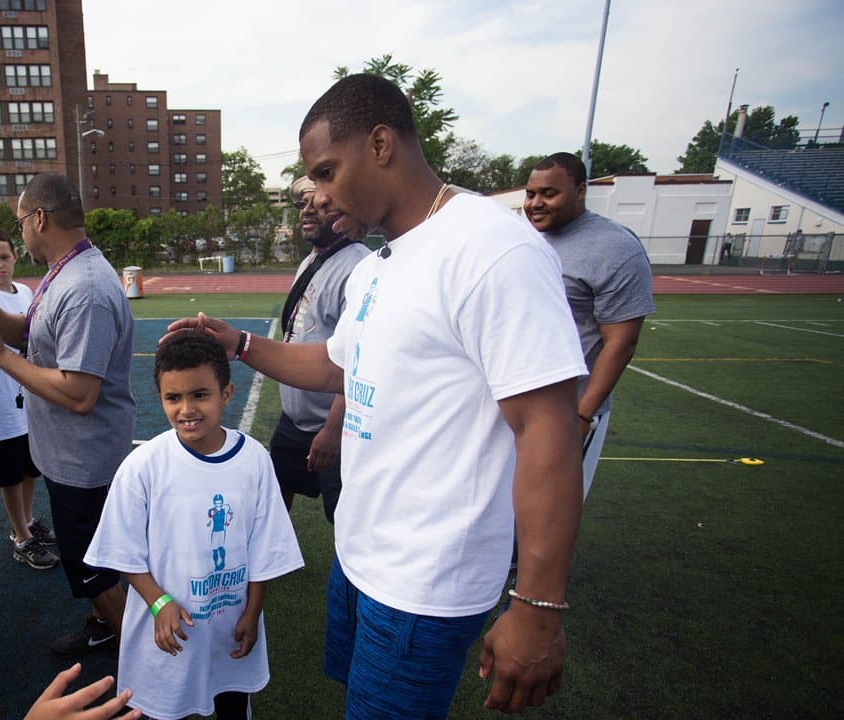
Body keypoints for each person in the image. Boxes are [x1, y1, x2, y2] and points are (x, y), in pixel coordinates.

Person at [167, 74, 588, 717]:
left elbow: (549, 429)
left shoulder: (491, 249)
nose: (320, 194)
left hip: (425, 577)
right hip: (361, 555)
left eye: (328, 171)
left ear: (382, 144)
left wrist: (537, 606)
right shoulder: (378, 264)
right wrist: (240, 345)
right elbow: (336, 365)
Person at [0, 172, 134, 657]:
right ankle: (106, 622)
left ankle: (143, 661)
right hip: (67, 453)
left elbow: (79, 393)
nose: (20, 235)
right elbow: (33, 337)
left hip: (85, 459)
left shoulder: (85, 287)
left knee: (92, 565)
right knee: (89, 560)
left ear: (39, 218)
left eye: (19, 223)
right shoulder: (64, 271)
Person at [84, 330, 303, 719]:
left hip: (229, 626)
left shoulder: (253, 460)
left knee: (232, 701)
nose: (186, 409)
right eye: (173, 397)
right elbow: (122, 549)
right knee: (164, 707)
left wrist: (253, 612)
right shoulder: (143, 466)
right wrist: (159, 601)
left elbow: (264, 549)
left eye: (200, 394)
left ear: (227, 393)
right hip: (170, 631)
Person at [524, 152, 655, 499]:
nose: (536, 203)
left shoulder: (616, 248)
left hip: (569, 409)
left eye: (549, 194)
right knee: (503, 516)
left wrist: (582, 416)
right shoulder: (525, 238)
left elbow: (621, 342)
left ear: (580, 191)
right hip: (518, 402)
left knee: (548, 513)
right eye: (530, 194)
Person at [271, 176, 370, 523]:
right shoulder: (314, 257)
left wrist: (332, 430)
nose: (306, 211)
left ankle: (350, 574)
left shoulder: (358, 266)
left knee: (343, 513)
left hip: (332, 424)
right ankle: (272, 558)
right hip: (295, 418)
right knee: (275, 489)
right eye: (301, 204)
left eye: (317, 202)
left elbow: (357, 358)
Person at [0, 226, 59, 570]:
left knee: (30, 466)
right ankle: (20, 537)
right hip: (0, 400)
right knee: (10, 472)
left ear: (15, 256)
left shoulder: (24, 291)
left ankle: (28, 518)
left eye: (4, 256)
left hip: (29, 394)